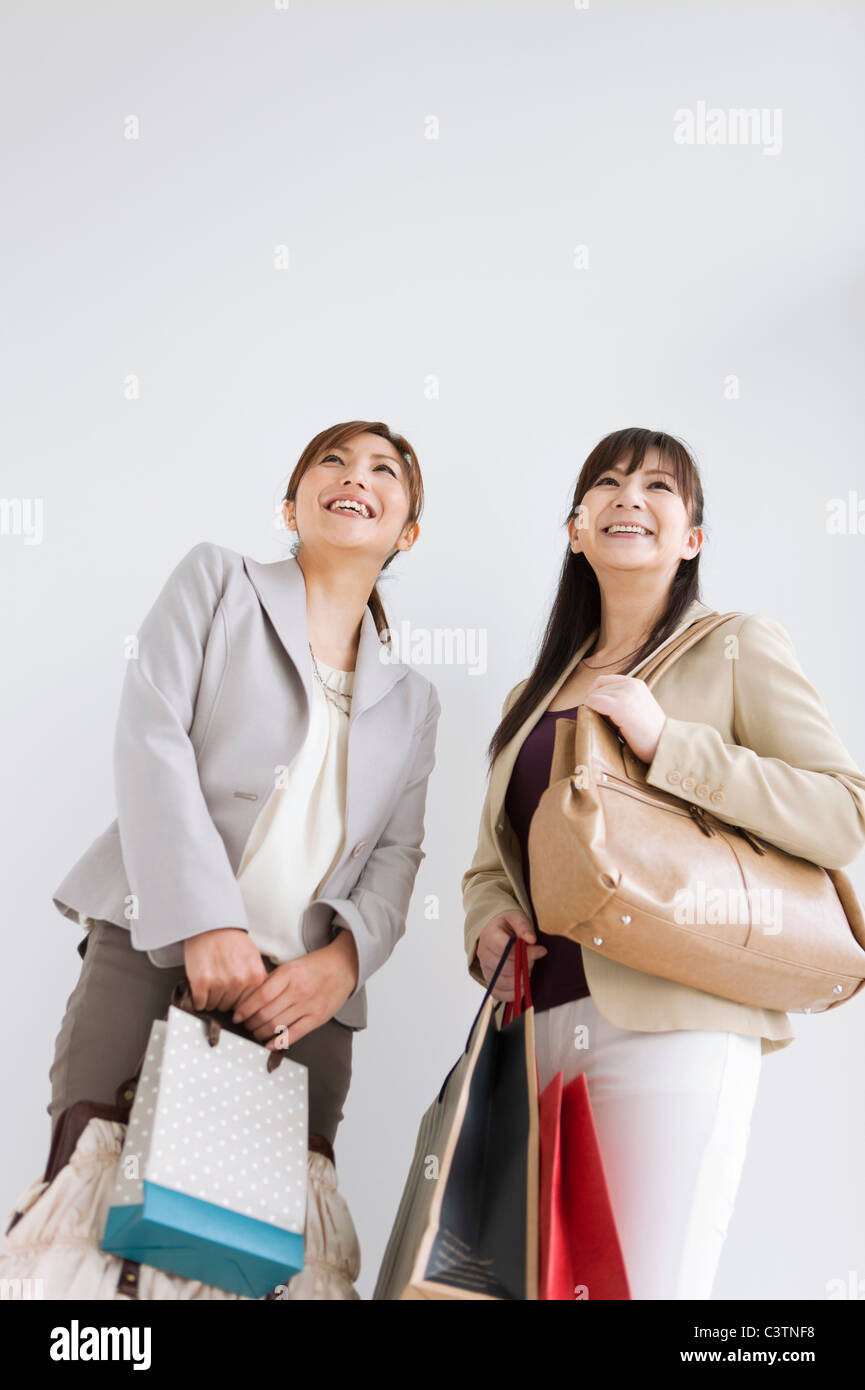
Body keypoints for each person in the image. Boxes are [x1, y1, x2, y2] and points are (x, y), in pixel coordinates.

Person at [462, 426, 865, 1300]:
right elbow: (493, 861)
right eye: (605, 483)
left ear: (691, 539)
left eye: (657, 487)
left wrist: (667, 743)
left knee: (651, 1288)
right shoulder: (527, 696)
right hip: (540, 1028)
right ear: (575, 528)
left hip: (678, 1020)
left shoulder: (734, 645)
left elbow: (841, 815)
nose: (627, 498)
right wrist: (483, 923)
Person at [49, 419, 440, 1166]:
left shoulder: (413, 701)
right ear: (292, 508)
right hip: (154, 947)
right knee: (95, 1211)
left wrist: (344, 964)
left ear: (407, 534)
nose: (355, 476)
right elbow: (151, 741)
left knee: (257, 1261)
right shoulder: (216, 581)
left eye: (382, 470)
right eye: (333, 461)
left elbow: (398, 853)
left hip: (305, 1005)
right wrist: (206, 920)